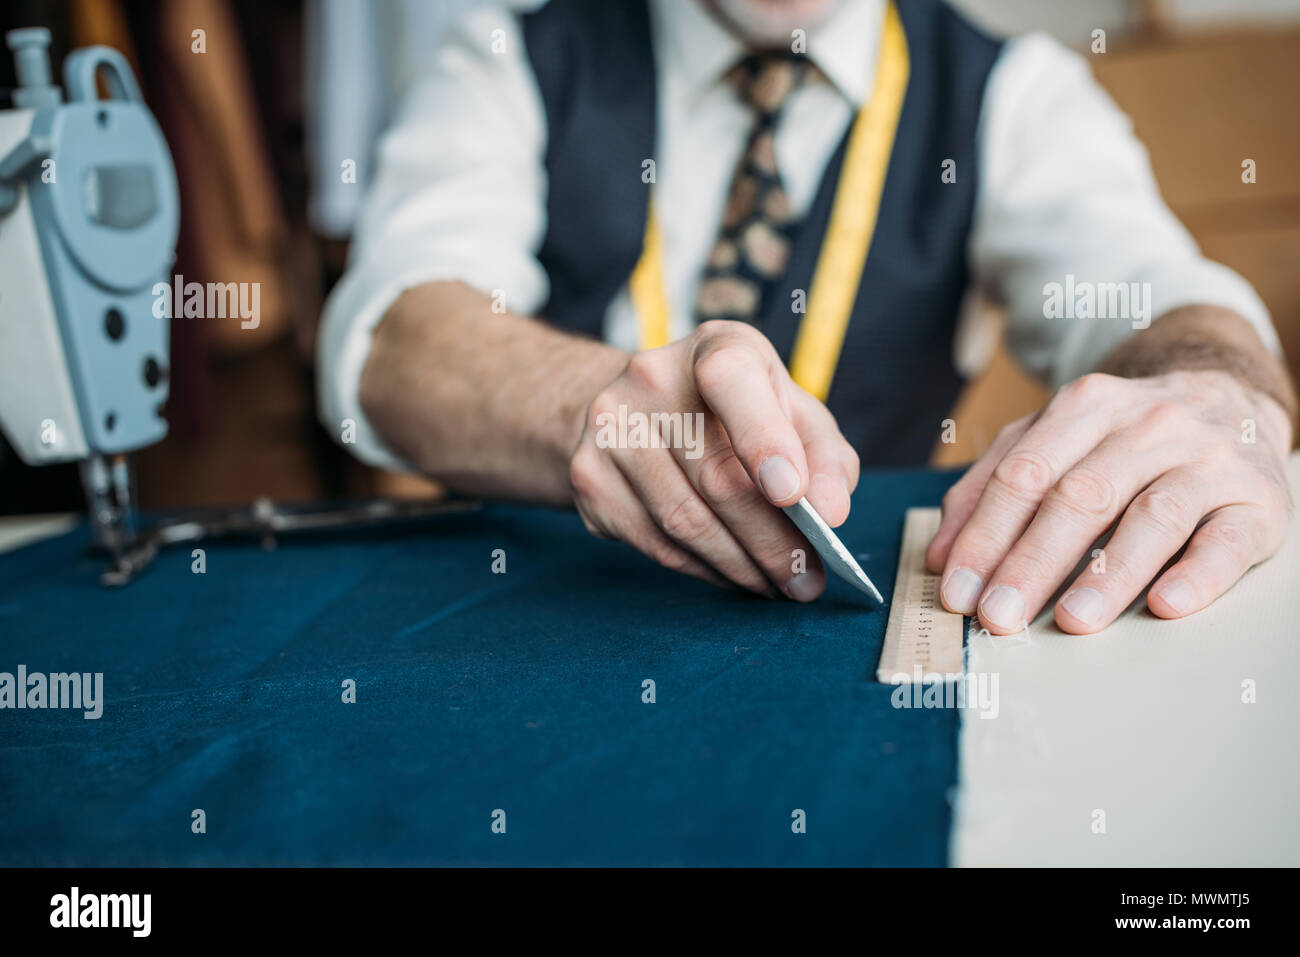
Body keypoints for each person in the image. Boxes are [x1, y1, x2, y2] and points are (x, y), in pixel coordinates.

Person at [318, 0, 1296, 636]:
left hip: (845, 653)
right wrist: (586, 403)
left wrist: (1215, 389)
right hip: (547, 628)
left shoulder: (1011, 96)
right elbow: (400, 333)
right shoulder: (511, 54)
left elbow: (1157, 290)